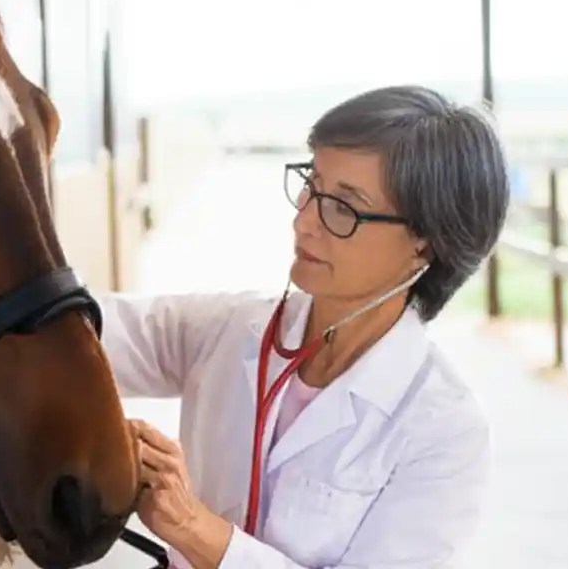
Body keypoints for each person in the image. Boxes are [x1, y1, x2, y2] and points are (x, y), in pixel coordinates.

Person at [100, 85, 509, 568]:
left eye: (344, 207)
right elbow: (82, 331)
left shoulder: (442, 430)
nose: (304, 222)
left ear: (424, 243)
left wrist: (195, 530)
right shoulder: (232, 330)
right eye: (312, 186)